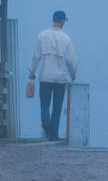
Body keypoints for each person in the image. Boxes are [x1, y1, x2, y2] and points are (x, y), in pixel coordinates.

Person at [28, 10, 77, 141]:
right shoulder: (66, 39)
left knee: (44, 104)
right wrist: (73, 74)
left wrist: (32, 72)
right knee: (57, 107)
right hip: (60, 78)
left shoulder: (42, 36)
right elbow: (71, 61)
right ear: (62, 21)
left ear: (53, 20)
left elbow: (35, 56)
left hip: (45, 76)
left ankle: (46, 124)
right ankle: (54, 133)